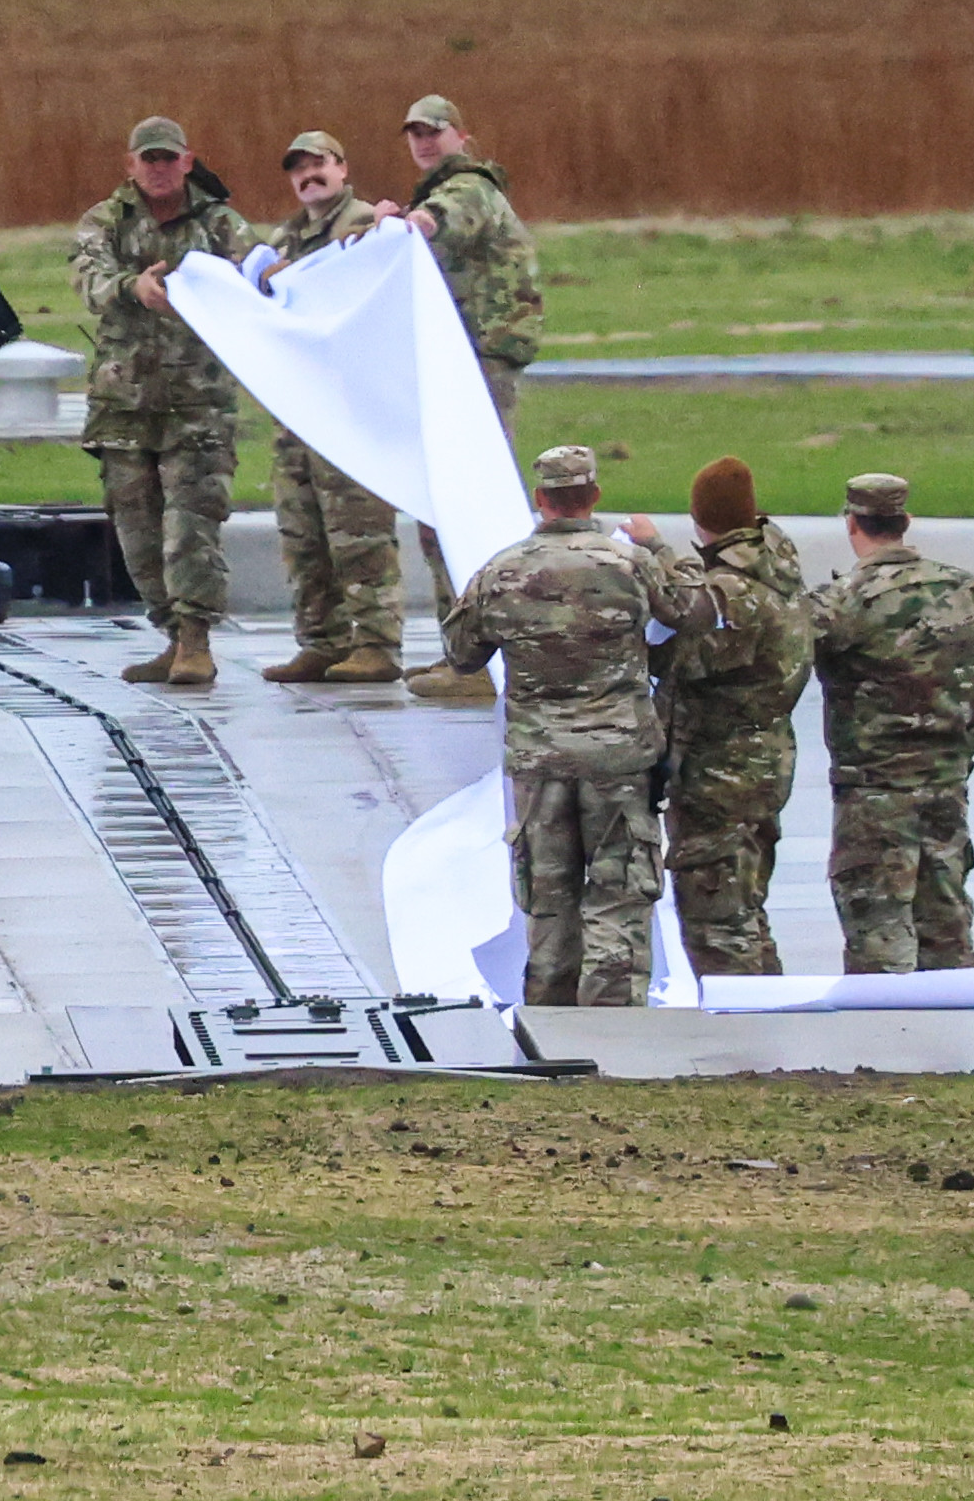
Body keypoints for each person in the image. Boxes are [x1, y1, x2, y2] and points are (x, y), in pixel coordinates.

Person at [443, 443, 694, 1006]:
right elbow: (689, 610)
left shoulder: (501, 570)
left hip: (540, 761)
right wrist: (661, 545)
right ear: (593, 497)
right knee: (618, 894)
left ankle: (552, 1020)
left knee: (549, 896)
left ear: (541, 500)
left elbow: (461, 654)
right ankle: (612, 1024)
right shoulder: (630, 564)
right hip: (617, 759)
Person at [71, 116, 254, 688]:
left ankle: (197, 641)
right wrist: (135, 287)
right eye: (147, 159)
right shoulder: (105, 221)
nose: (157, 168)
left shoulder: (220, 223)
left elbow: (256, 274)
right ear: (130, 164)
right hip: (124, 404)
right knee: (137, 530)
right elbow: (88, 276)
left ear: (187, 161)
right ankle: (172, 637)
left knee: (192, 527)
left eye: (167, 158)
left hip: (197, 403)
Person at [378, 93, 544, 703]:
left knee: (463, 501)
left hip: (478, 360)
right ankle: (467, 652)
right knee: (442, 508)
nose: (424, 141)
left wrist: (414, 224)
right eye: (415, 133)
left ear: (461, 136)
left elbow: (448, 217)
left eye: (434, 131)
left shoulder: (467, 187)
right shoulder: (441, 188)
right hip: (463, 361)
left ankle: (481, 659)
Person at [624, 455, 811, 978]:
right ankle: (769, 1014)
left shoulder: (734, 593)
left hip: (721, 775)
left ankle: (743, 1035)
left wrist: (655, 550)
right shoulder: (776, 572)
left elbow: (684, 625)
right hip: (765, 762)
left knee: (716, 920)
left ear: (700, 518)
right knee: (746, 909)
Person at [807, 472, 974, 973]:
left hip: (875, 794)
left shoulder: (844, 599)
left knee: (878, 945)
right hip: (944, 785)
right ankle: (957, 1051)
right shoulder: (964, 590)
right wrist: (955, 753)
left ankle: (885, 1048)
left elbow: (778, 659)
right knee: (948, 936)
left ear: (852, 524)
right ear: (905, 521)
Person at [251, 129, 402, 685]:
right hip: (297, 410)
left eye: (319, 165)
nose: (309, 176)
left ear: (342, 167)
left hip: (351, 406)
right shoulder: (286, 237)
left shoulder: (366, 225)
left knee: (358, 530)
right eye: (299, 169)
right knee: (302, 532)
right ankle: (321, 641)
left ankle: (377, 644)